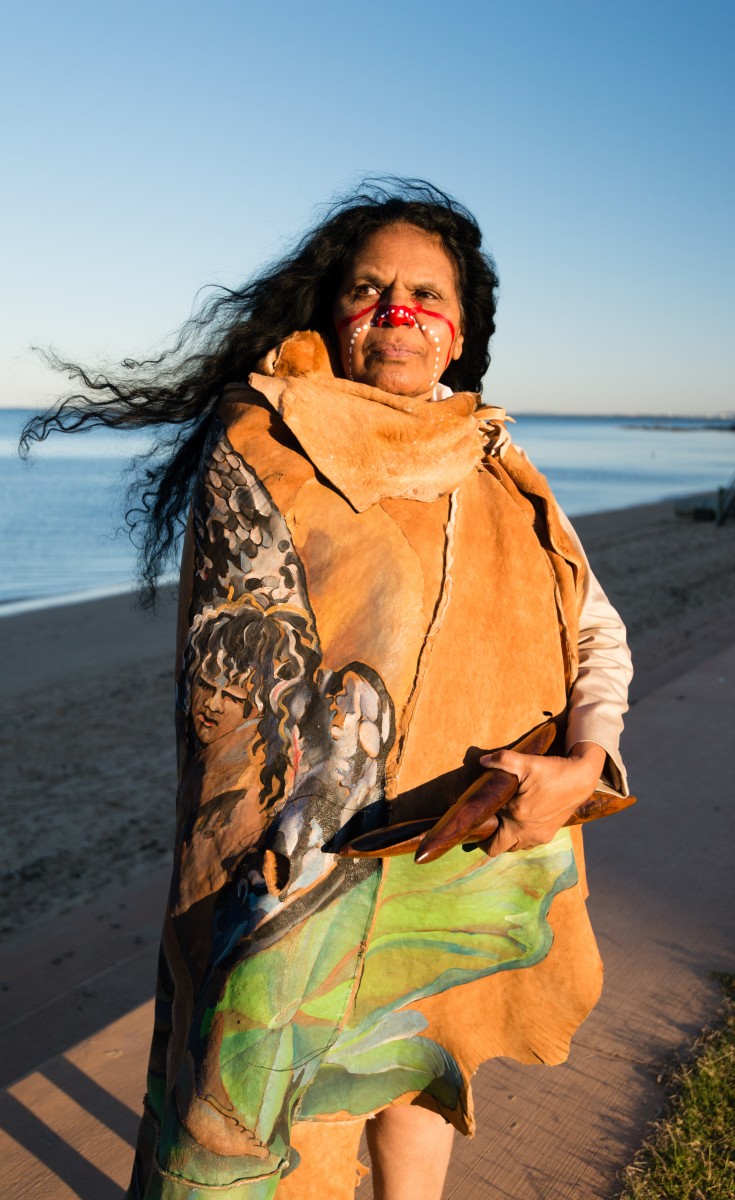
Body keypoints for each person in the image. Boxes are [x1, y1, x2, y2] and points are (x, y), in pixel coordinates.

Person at [21, 179, 632, 1200]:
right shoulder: (267, 444)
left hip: (473, 827)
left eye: (427, 295)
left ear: (461, 331)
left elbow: (592, 629)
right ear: (334, 312)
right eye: (371, 288)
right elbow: (237, 695)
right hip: (301, 871)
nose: (399, 313)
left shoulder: (499, 463)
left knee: (420, 1074)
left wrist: (585, 762)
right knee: (255, 1124)